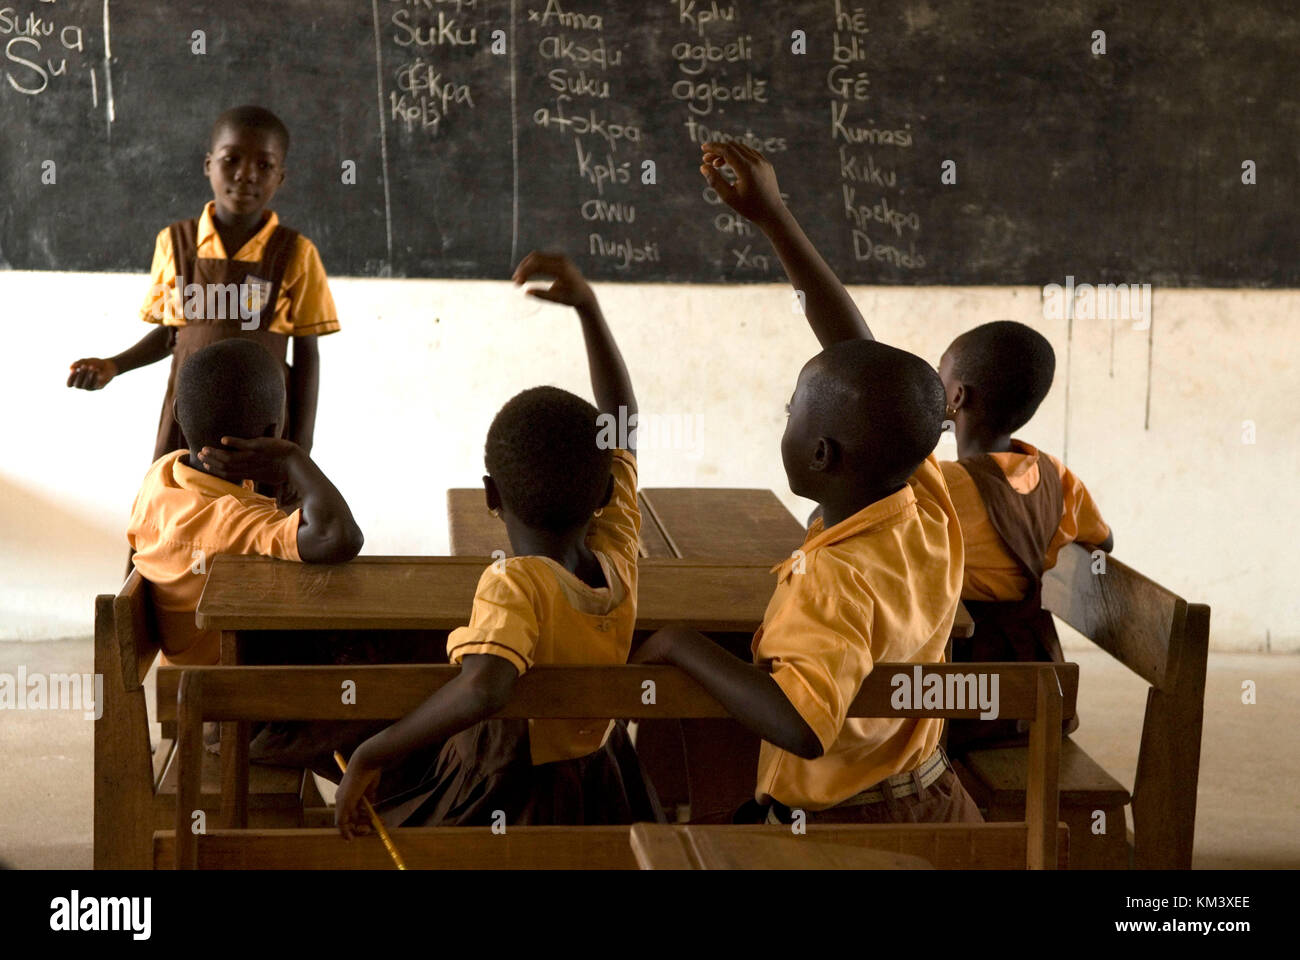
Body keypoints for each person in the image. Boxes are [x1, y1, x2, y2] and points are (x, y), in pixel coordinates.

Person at [632, 143, 981, 825]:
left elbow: (801, 724)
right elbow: (861, 356)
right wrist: (775, 219)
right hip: (930, 796)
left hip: (845, 832)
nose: (785, 420)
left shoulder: (836, 579)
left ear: (820, 454)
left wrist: (680, 642)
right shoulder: (923, 503)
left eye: (790, 412)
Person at [335, 252, 662, 833]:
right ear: (606, 489)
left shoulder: (514, 584)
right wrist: (589, 307)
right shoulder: (617, 552)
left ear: (490, 495)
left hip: (509, 789)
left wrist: (371, 754)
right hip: (597, 776)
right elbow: (623, 423)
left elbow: (485, 687)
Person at [67, 105, 339, 508]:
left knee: (257, 528)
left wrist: (301, 453)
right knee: (177, 520)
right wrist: (113, 365)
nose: (246, 174)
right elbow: (173, 334)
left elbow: (308, 358)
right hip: (187, 420)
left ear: (280, 177)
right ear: (208, 165)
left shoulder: (295, 253)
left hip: (263, 429)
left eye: (264, 165)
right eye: (231, 160)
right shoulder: (175, 243)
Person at [937, 321, 1112, 748]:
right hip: (1037, 687)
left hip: (960, 692)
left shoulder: (942, 486)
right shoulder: (1056, 474)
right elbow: (1102, 544)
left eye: (939, 376)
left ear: (957, 397)